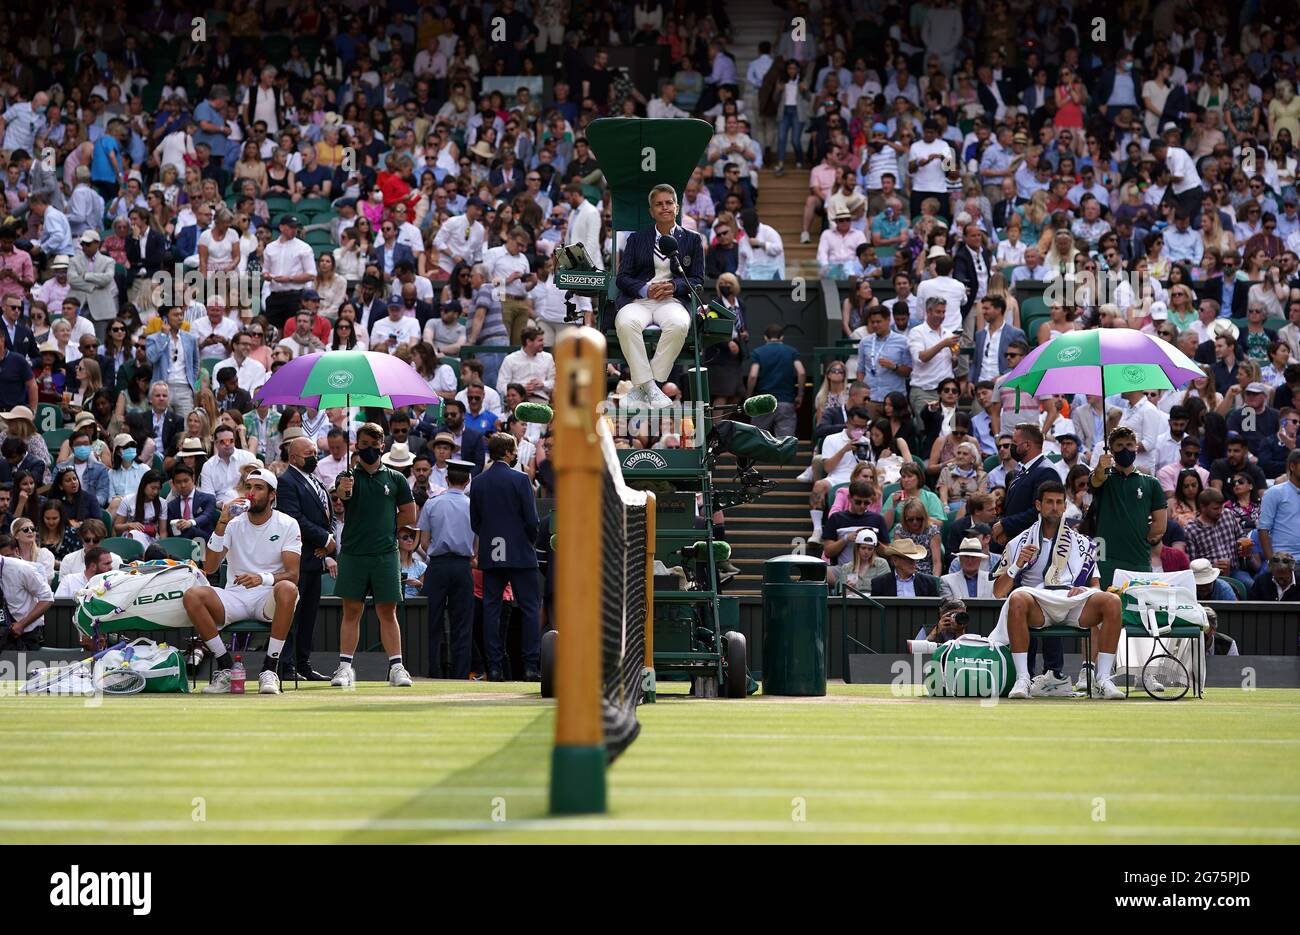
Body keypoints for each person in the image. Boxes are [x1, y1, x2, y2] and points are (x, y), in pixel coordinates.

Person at [990, 480, 1125, 700]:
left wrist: (1082, 589)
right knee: (1017, 597)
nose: (1054, 507)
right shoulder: (1018, 543)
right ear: (1038, 505)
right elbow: (998, 591)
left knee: (1112, 601)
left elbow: (1096, 586)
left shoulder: (1083, 543)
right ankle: (1023, 678)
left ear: (1064, 506)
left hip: (1073, 603)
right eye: (1049, 502)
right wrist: (1018, 565)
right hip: (1037, 605)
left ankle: (1103, 679)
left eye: (1059, 502)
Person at [186, 470, 302, 694]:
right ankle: (226, 667)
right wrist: (222, 521)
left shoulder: (288, 524)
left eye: (259, 488)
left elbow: (293, 574)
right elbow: (209, 567)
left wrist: (262, 578)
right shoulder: (232, 523)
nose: (251, 493)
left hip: (268, 597)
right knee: (193, 595)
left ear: (272, 495)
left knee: (288, 588)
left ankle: (270, 669)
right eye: (249, 487)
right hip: (235, 596)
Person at [330, 422, 417, 688]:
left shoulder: (396, 478)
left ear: (382, 446)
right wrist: (345, 488)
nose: (368, 449)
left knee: (387, 611)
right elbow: (342, 501)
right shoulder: (346, 477)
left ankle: (397, 667)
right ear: (356, 446)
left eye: (373, 445)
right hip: (354, 553)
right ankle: (344, 667)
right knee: (351, 610)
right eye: (363, 444)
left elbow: (410, 514)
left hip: (385, 554)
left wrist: (388, 528)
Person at [614, 184, 703, 408]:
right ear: (651, 211)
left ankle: (642, 388)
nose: (664, 207)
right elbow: (622, 277)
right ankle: (651, 388)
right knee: (625, 323)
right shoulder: (636, 239)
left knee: (680, 324)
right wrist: (644, 288)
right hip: (640, 300)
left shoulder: (692, 240)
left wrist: (674, 286)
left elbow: (698, 279)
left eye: (668, 203)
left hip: (672, 300)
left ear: (677, 206)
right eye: (658, 204)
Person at [469, 433, 541, 680]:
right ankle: (531, 666)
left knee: (491, 609)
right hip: (520, 551)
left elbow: (475, 522)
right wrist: (528, 541)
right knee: (530, 608)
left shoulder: (478, 482)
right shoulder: (520, 479)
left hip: (491, 553)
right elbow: (532, 520)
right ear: (509, 452)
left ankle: (495, 666)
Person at [273, 435, 336, 680]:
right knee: (294, 615)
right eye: (309, 453)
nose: (315, 457)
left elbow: (326, 512)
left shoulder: (315, 480)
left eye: (315, 452)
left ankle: (303, 663)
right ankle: (286, 665)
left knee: (309, 616)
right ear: (294, 457)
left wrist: (328, 538)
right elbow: (294, 518)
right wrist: (323, 539)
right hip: (297, 560)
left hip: (315, 560)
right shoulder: (286, 481)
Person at [418, 458, 476, 679]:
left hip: (438, 565)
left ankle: (431, 671)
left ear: (446, 478)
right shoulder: (473, 506)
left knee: (431, 621)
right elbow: (476, 545)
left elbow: (423, 543)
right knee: (462, 624)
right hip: (463, 566)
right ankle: (460, 674)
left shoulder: (433, 503)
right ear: (468, 480)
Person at [1090, 426, 1169, 589]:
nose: (1124, 449)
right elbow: (1097, 479)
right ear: (1111, 450)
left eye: (1129, 445)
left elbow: (1160, 525)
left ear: (1136, 448)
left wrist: (1138, 534)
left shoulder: (1151, 483)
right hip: (1105, 558)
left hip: (1138, 558)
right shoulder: (1105, 478)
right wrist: (1100, 466)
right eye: (1119, 445)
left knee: (1138, 608)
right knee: (1106, 606)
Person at [746, 324, 804, 438]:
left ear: (765, 337)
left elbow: (753, 375)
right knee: (785, 442)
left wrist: (749, 396)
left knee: (757, 439)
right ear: (782, 337)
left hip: (763, 402)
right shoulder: (791, 352)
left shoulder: (758, 352)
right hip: (785, 401)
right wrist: (800, 395)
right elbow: (801, 372)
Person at [0, 533, 54, 650]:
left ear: (17, 551)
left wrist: (21, 624)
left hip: (26, 636)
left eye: (9, 555)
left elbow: (47, 598)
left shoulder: (23, 568)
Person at [146, 307, 199, 417]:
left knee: (185, 427)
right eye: (175, 315)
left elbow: (195, 363)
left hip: (184, 388)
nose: (180, 318)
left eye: (181, 315)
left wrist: (191, 381)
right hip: (163, 388)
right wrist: (163, 336)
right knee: (164, 426)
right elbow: (152, 358)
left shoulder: (190, 338)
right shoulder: (153, 338)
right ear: (165, 318)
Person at [200, 424, 255, 506]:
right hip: (221, 508)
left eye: (231, 440)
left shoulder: (247, 457)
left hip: (246, 503)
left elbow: (257, 485)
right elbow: (208, 497)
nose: (227, 444)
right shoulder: (208, 466)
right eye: (223, 441)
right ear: (216, 443)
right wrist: (224, 505)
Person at [164, 463, 217, 541]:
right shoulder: (171, 505)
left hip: (204, 540)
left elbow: (207, 516)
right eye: (178, 482)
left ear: (193, 478)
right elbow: (170, 530)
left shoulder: (208, 498)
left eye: (186, 481)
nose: (183, 485)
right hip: (181, 540)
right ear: (174, 484)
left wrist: (190, 523)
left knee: (190, 529)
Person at [869, 539, 940, 596]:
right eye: (909, 559)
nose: (913, 563)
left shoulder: (929, 583)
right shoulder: (879, 584)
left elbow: (934, 611)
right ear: (895, 560)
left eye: (914, 559)